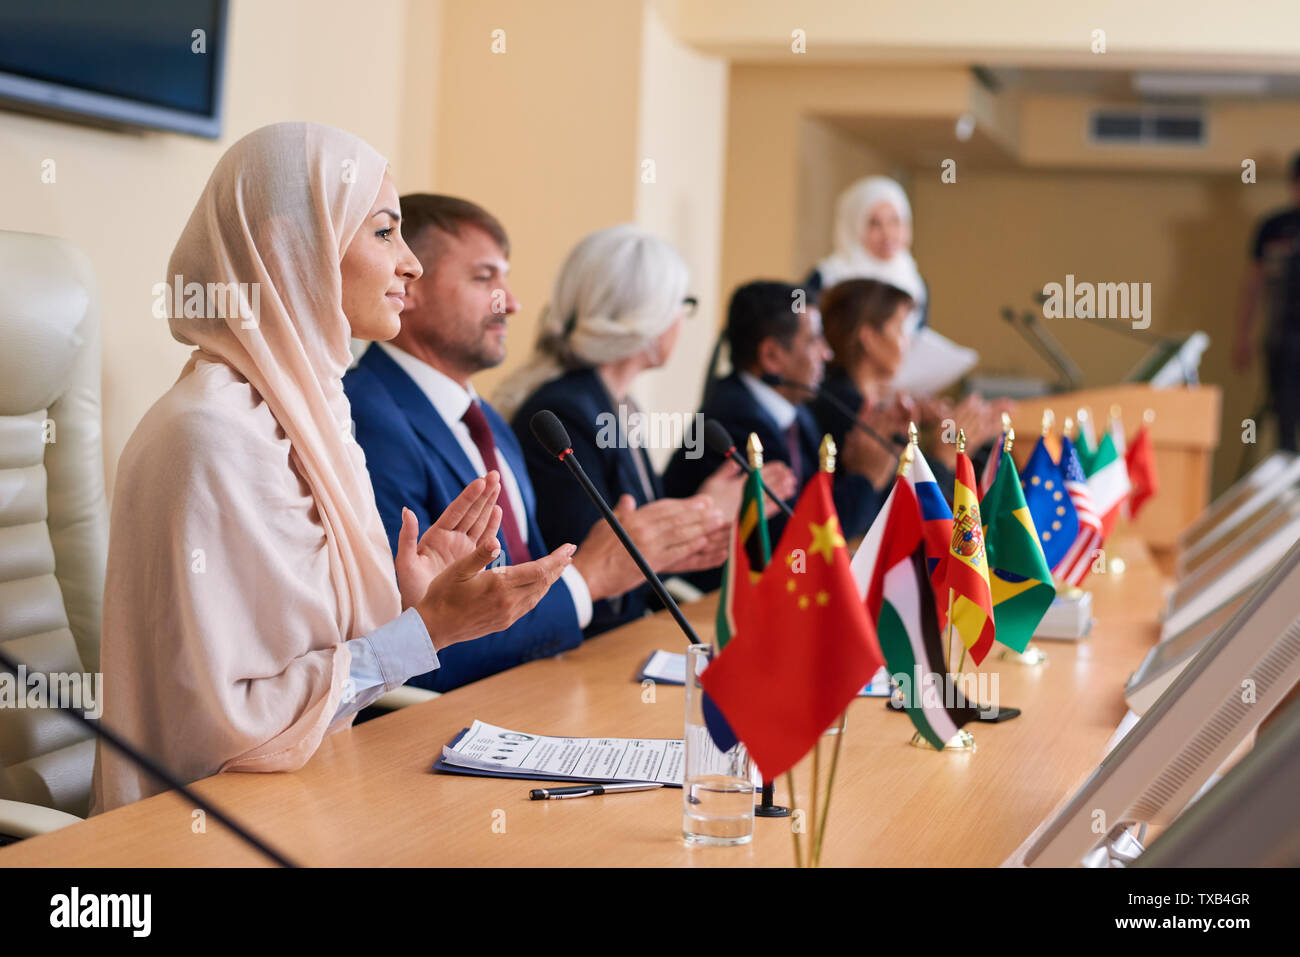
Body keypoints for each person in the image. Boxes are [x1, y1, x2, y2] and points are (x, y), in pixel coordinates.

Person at [92, 124, 571, 813]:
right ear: (295, 248)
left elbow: (324, 678)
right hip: (208, 828)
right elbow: (233, 733)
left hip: (316, 795)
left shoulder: (315, 411)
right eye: (384, 233)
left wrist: (410, 601)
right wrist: (427, 630)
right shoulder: (213, 434)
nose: (410, 264)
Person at [345, 196, 723, 686]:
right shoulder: (364, 415)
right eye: (485, 279)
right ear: (409, 283)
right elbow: (405, 639)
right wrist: (589, 576)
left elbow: (527, 591)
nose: (513, 302)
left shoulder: (488, 422)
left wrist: (638, 559)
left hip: (544, 692)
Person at [498, 225, 753, 634]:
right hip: (579, 647)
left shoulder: (617, 404)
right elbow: (592, 565)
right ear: (646, 316)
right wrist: (700, 512)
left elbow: (632, 557)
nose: (680, 323)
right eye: (681, 305)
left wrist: (697, 517)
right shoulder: (564, 410)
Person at [663, 281, 878, 548]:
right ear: (772, 356)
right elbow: (802, 539)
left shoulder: (797, 413)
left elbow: (820, 499)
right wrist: (868, 476)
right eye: (814, 341)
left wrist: (858, 458)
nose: (827, 353)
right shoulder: (735, 419)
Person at [804, 176, 928, 338]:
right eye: (874, 224)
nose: (887, 234)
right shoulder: (826, 276)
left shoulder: (915, 283)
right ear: (855, 226)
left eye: (895, 221)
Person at [1235, 151, 1300, 452]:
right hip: (1281, 339)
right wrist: (1243, 335)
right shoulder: (1273, 227)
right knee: (1284, 416)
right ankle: (1288, 486)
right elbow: (1252, 285)